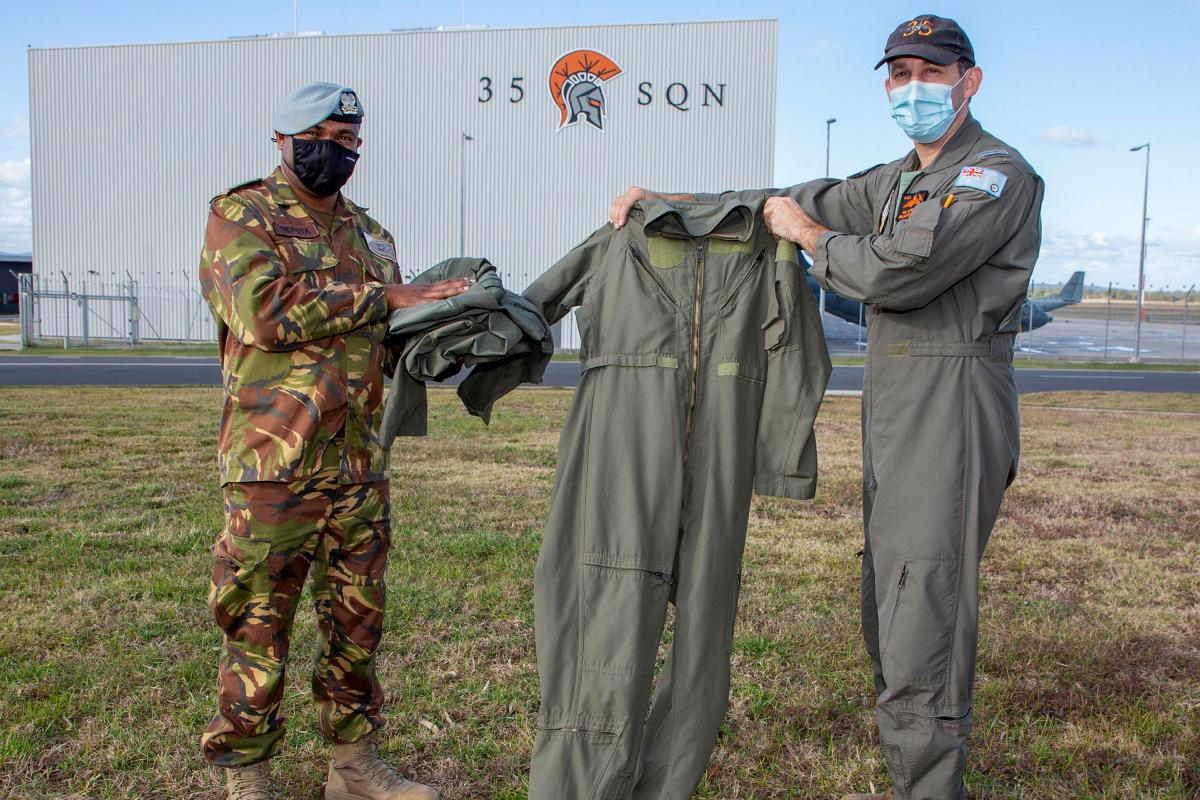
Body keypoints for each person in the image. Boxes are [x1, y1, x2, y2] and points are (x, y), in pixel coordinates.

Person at [609, 15, 1044, 800]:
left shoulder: (994, 174)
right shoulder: (896, 180)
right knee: (892, 597)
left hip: (953, 402)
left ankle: (929, 783)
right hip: (901, 406)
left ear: (969, 82)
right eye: (900, 73)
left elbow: (901, 272)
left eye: (932, 72)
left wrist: (808, 235)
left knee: (924, 607)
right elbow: (782, 199)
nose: (913, 88)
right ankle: (913, 767)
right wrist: (668, 198)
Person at [197, 82, 468, 800]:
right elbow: (261, 312)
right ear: (283, 140)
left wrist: (453, 328)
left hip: (356, 464)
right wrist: (385, 299)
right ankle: (246, 778)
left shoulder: (372, 235)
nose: (337, 151)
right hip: (273, 464)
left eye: (350, 140)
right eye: (322, 136)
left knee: (357, 626)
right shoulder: (242, 215)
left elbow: (393, 332)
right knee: (258, 625)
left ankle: (352, 769)